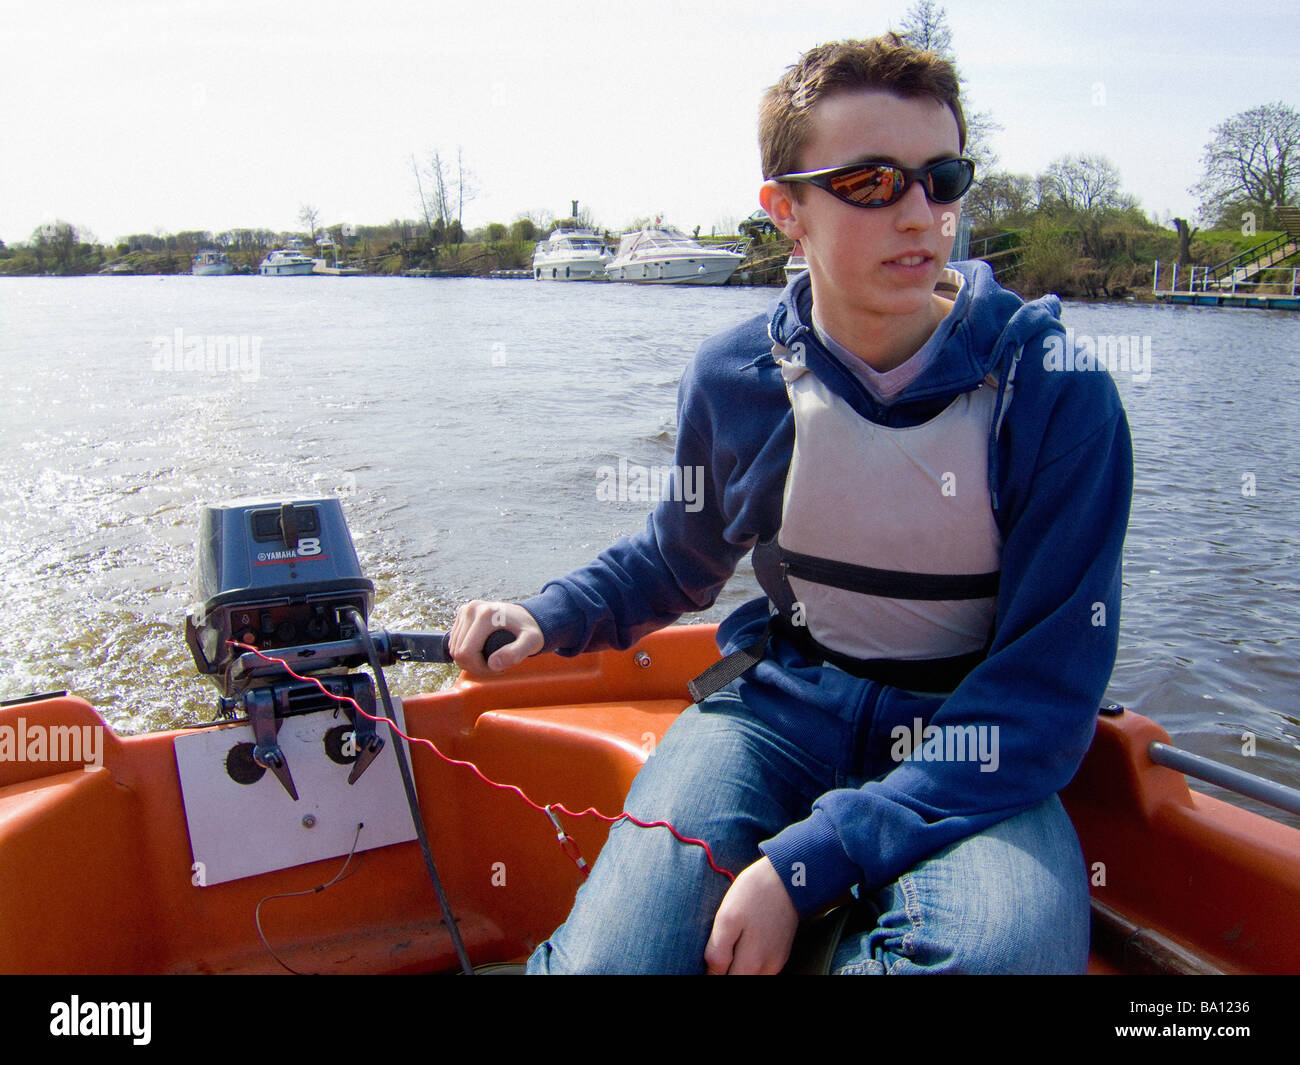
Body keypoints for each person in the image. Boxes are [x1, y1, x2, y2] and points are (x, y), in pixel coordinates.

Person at [450, 34, 1132, 975]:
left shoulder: (1055, 392)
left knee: (990, 958)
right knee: (613, 961)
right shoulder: (738, 378)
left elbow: (1047, 688)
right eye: (870, 183)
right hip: (772, 706)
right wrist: (547, 612)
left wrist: (804, 868)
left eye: (942, 178)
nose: (920, 214)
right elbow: (673, 556)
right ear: (785, 212)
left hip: (972, 737)